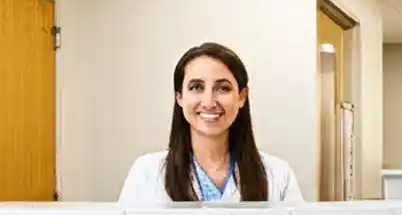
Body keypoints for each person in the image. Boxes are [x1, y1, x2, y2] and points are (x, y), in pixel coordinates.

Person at [118, 42, 302, 206]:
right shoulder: (146, 173)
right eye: (196, 87)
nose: (209, 102)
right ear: (179, 97)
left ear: (241, 97)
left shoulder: (278, 175)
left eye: (223, 88)